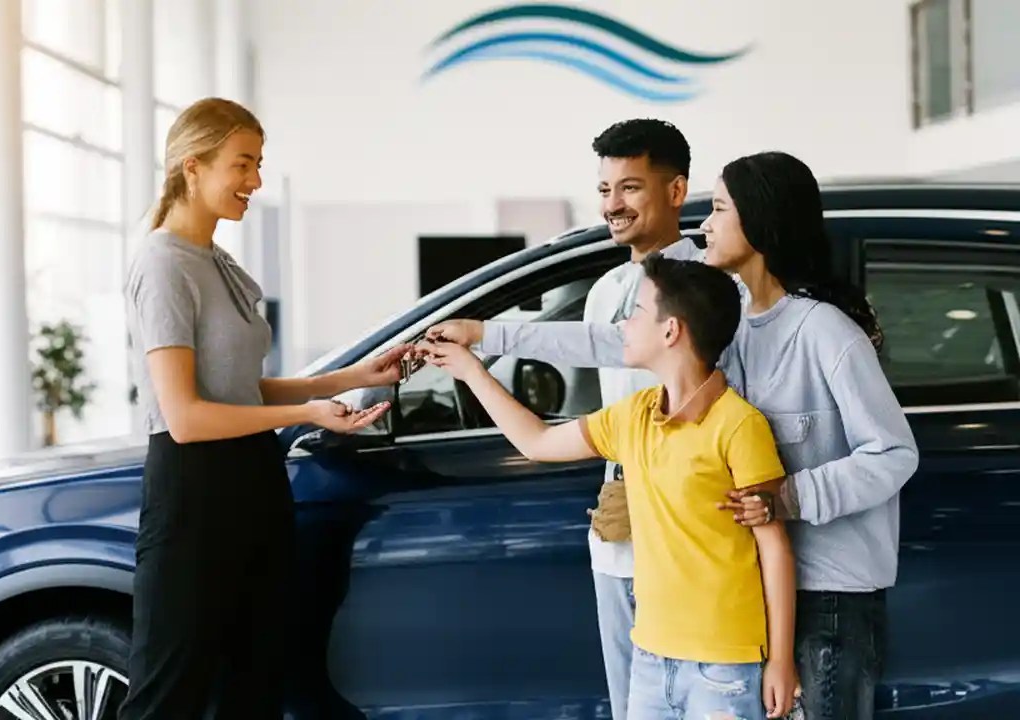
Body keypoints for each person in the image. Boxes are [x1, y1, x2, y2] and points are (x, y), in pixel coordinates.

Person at [428, 151, 917, 719]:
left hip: (826, 596)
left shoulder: (825, 333)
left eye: (721, 208)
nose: (704, 223)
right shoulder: (725, 326)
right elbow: (609, 344)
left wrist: (788, 496)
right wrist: (484, 337)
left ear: (759, 221)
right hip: (752, 603)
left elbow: (894, 452)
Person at [120, 97, 408, 719]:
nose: (255, 181)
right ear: (192, 167)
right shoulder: (163, 264)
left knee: (252, 685)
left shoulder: (218, 260)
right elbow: (188, 418)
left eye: (258, 164)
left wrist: (350, 377)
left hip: (253, 485)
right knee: (169, 693)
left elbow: (242, 388)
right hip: (194, 493)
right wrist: (307, 416)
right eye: (242, 164)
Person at [417, 255, 800, 719]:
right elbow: (536, 441)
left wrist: (780, 660)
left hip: (724, 666)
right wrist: (470, 369)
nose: (624, 324)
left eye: (636, 311)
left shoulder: (740, 426)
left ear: (670, 331)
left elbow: (774, 547)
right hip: (650, 657)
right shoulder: (633, 415)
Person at [438, 117, 704, 720]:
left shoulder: (706, 289)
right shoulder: (608, 285)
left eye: (630, 187)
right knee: (631, 704)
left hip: (686, 527)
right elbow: (591, 378)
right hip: (618, 523)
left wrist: (485, 332)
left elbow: (602, 344)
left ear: (676, 191)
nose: (614, 204)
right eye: (606, 189)